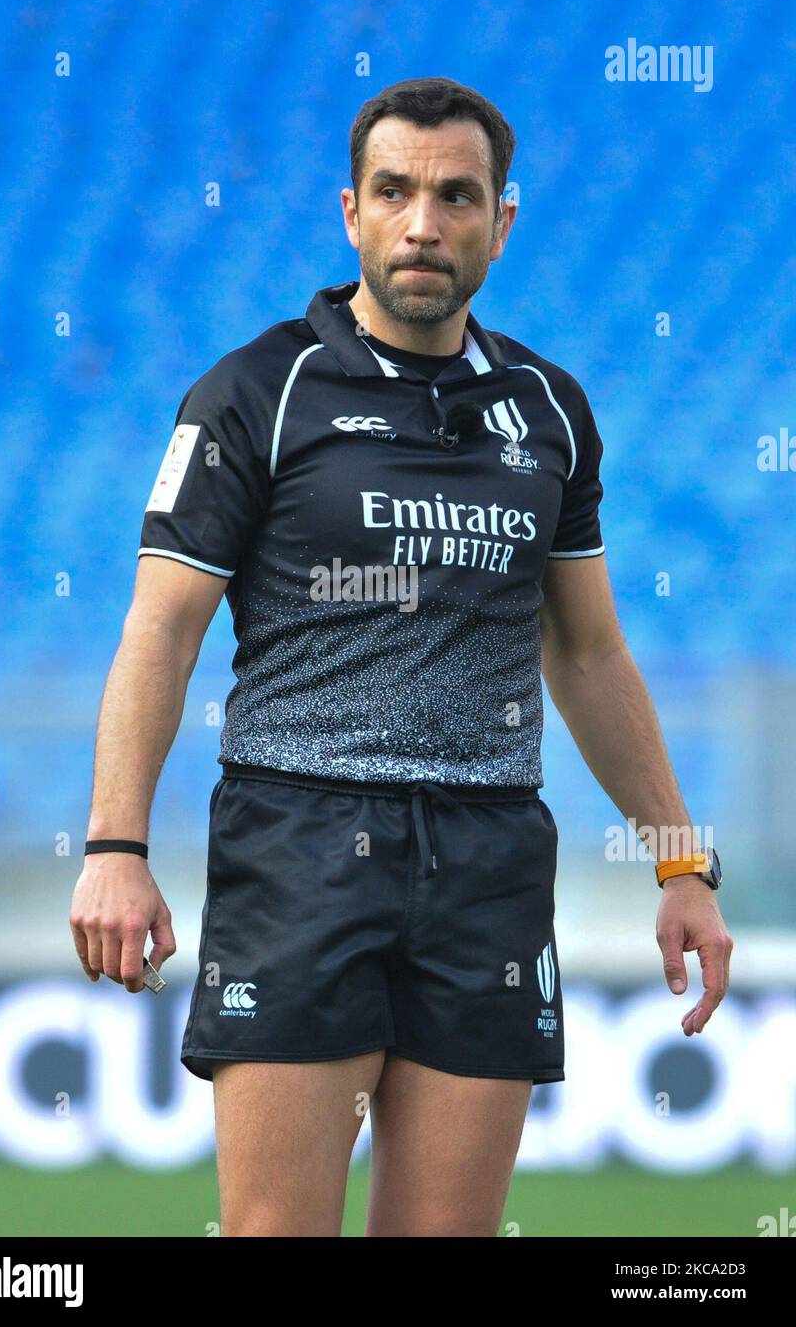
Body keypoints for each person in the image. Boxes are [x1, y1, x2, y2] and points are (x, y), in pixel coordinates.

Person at [70, 76, 733, 1237]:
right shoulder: (256, 392)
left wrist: (682, 864)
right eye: (395, 192)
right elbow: (160, 629)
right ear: (351, 212)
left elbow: (590, 656)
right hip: (302, 846)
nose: (424, 222)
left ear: (500, 223)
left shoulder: (551, 411)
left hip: (488, 862)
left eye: (455, 196)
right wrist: (115, 844)